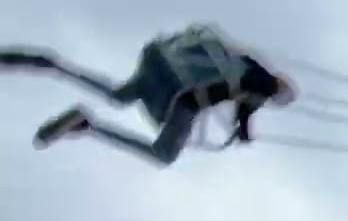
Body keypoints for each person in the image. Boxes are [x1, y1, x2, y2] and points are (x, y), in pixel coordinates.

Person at [3, 27, 296, 166]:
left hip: (162, 65)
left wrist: (243, 131)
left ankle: (55, 66)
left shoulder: (245, 63)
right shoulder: (262, 84)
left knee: (118, 96)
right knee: (163, 155)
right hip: (184, 94)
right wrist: (245, 136)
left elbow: (244, 113)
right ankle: (86, 126)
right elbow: (246, 112)